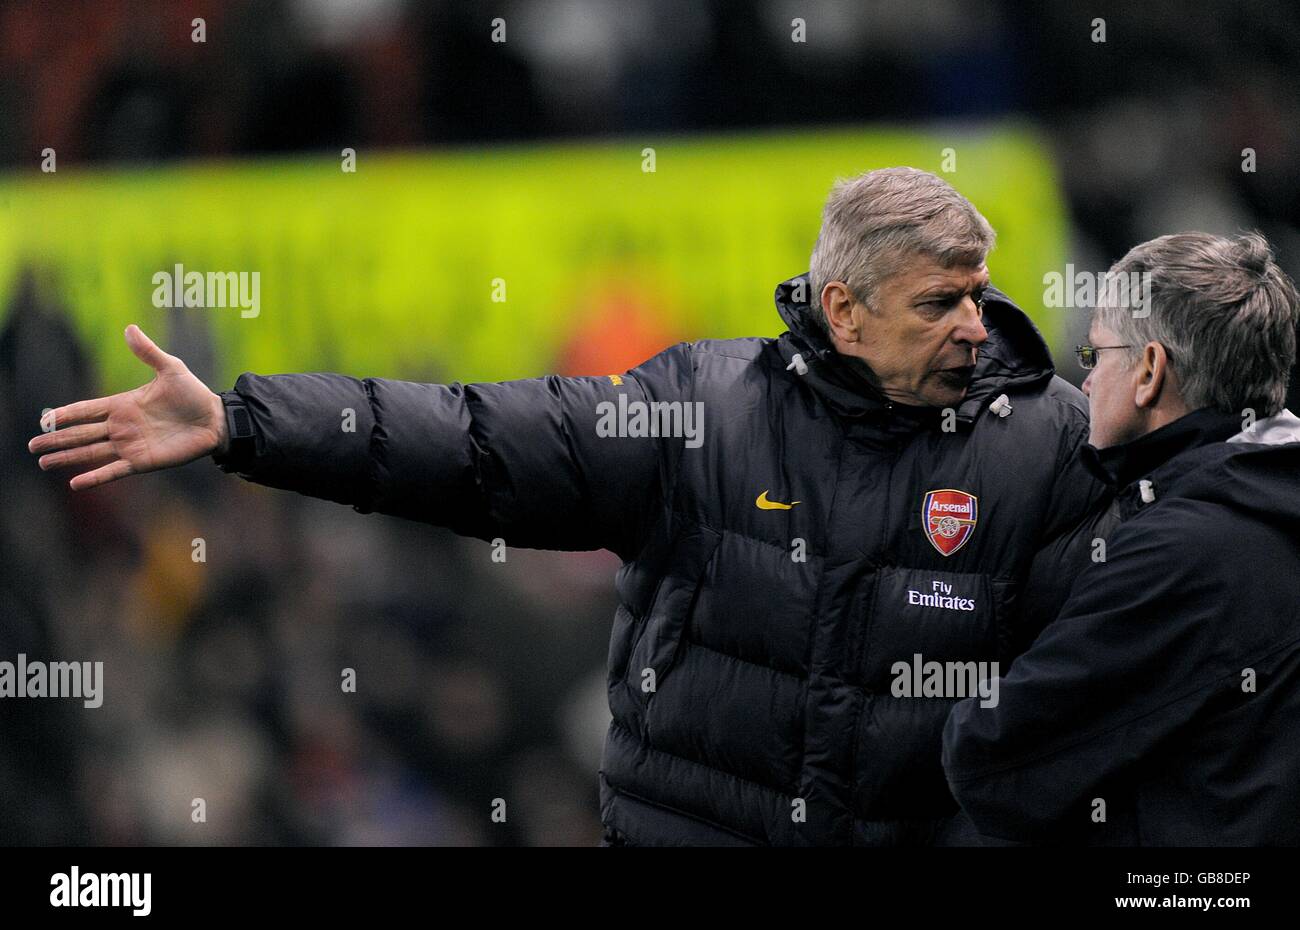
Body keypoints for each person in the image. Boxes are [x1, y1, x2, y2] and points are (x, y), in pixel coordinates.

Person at [30, 167, 1104, 845]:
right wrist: (241, 421)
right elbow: (469, 437)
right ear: (844, 311)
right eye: (940, 302)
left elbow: (1099, 687)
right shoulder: (698, 413)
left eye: (978, 295)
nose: (975, 324)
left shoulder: (1047, 442)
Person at [943, 231, 1300, 845]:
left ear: (1149, 369)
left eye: (1095, 356)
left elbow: (990, 753)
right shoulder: (1268, 502)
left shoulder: (1182, 551)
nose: (1084, 384)